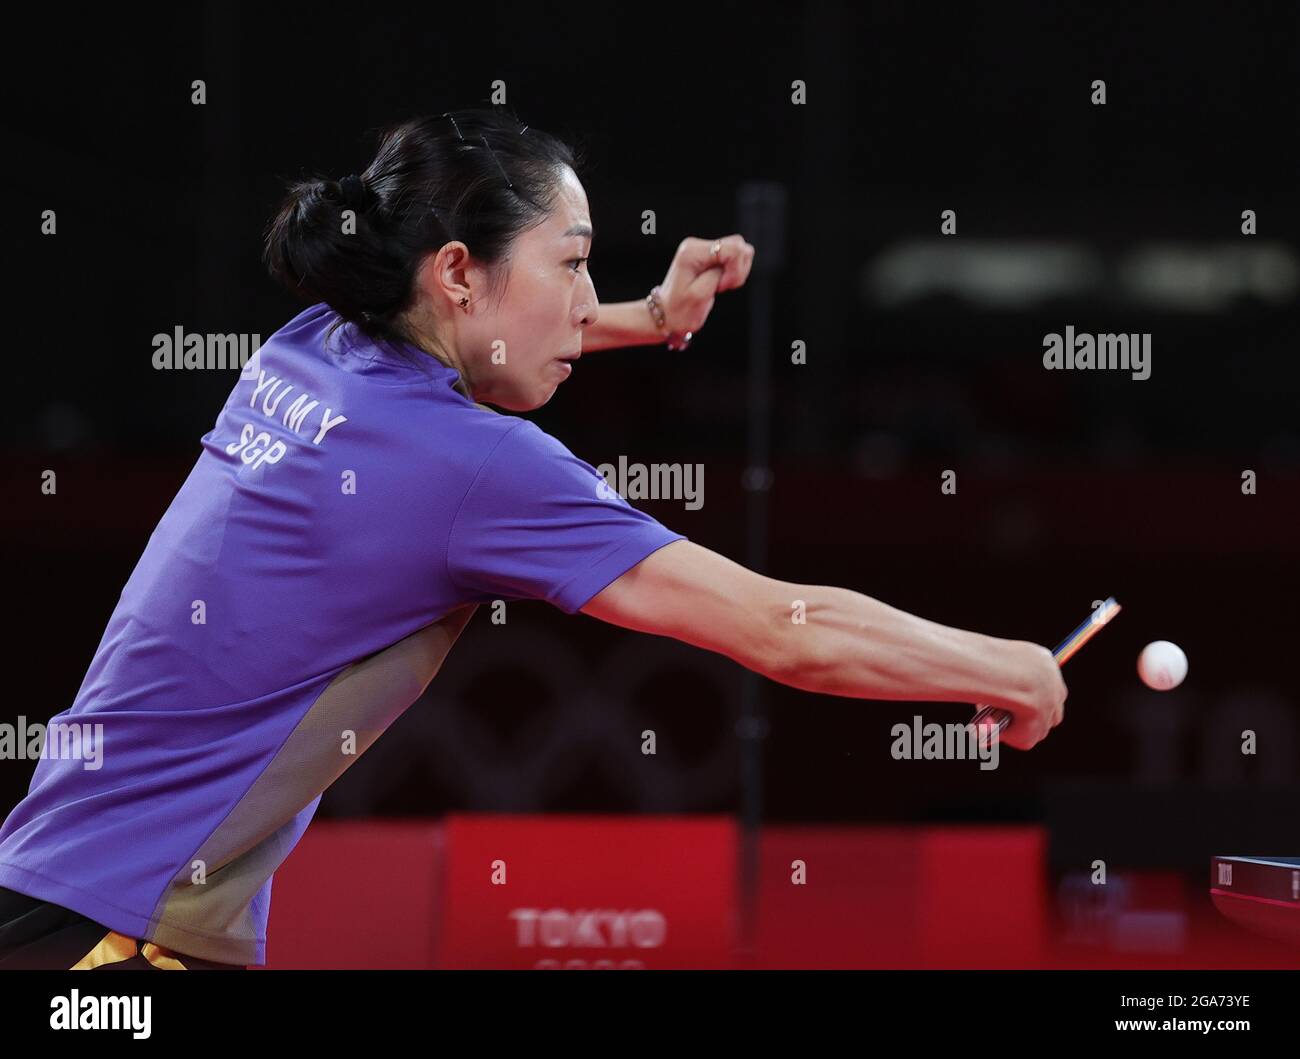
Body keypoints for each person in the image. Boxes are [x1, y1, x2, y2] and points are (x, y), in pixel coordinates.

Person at [0, 107, 1066, 970]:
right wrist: (1004, 666)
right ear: (458, 271)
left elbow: (468, 351)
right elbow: (783, 628)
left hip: (55, 886)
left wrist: (650, 318)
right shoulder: (477, 468)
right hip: (112, 942)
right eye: (572, 265)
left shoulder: (311, 345)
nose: (585, 302)